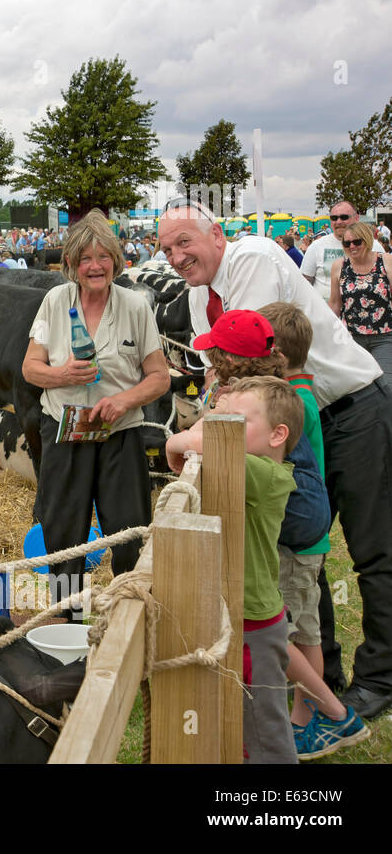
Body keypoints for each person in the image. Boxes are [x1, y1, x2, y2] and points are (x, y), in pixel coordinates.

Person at [158, 200, 392, 719]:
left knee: (372, 547)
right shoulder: (201, 297)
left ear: (217, 235)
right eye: (167, 248)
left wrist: (190, 435)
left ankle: (380, 678)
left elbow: (246, 374)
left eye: (184, 242)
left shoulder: (255, 255)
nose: (176, 256)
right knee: (302, 547)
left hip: (344, 408)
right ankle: (323, 677)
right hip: (292, 424)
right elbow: (224, 377)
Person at [21, 210, 169, 612]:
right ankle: (68, 623)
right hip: (64, 433)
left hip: (120, 435)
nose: (95, 266)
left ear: (116, 261)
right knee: (63, 537)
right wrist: (63, 374)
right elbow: (30, 369)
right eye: (85, 258)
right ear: (70, 263)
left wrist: (124, 400)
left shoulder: (135, 306)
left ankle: (127, 620)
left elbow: (159, 377)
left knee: (128, 534)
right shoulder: (55, 302)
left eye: (103, 257)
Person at [249, 302, 370, 758]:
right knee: (306, 634)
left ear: (273, 353)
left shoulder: (291, 404)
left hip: (295, 542)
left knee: (279, 634)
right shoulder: (303, 393)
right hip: (311, 542)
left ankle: (337, 714)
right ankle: (304, 719)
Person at [166, 376, 302, 762]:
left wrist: (174, 443)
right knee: (237, 721)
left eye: (235, 422)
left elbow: (195, 438)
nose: (221, 426)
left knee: (264, 730)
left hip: (254, 624)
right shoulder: (242, 466)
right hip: (237, 614)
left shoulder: (268, 475)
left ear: (277, 435)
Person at [327, 220, 392, 375]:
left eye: (356, 242)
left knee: (387, 385)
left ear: (367, 240)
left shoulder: (386, 261)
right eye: (347, 243)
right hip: (351, 339)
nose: (352, 247)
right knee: (358, 385)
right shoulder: (339, 266)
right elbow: (335, 304)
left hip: (384, 337)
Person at [300, 201, 384, 303]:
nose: (338, 222)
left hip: (365, 313)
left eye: (344, 217)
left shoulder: (374, 246)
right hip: (326, 314)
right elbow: (304, 282)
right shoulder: (316, 246)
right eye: (334, 218)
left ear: (356, 218)